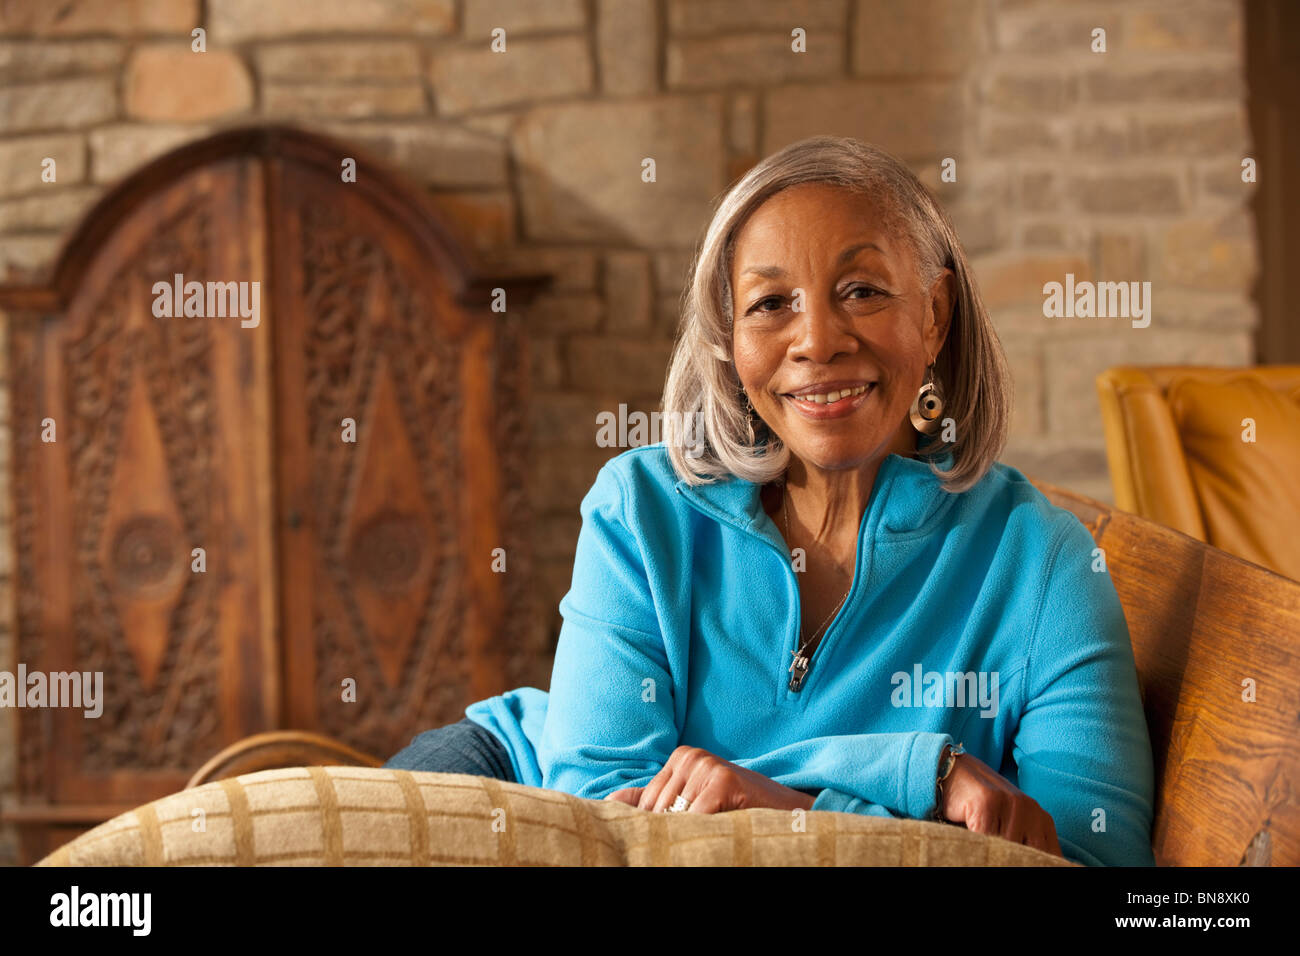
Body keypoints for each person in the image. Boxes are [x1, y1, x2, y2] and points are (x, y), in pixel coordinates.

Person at [384, 135, 1156, 867]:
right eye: (770, 303)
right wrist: (918, 772)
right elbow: (604, 817)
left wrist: (791, 805)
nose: (816, 340)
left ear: (935, 315)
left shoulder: (1042, 565)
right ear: (730, 338)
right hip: (520, 789)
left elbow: (1093, 858)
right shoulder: (642, 508)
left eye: (861, 291)